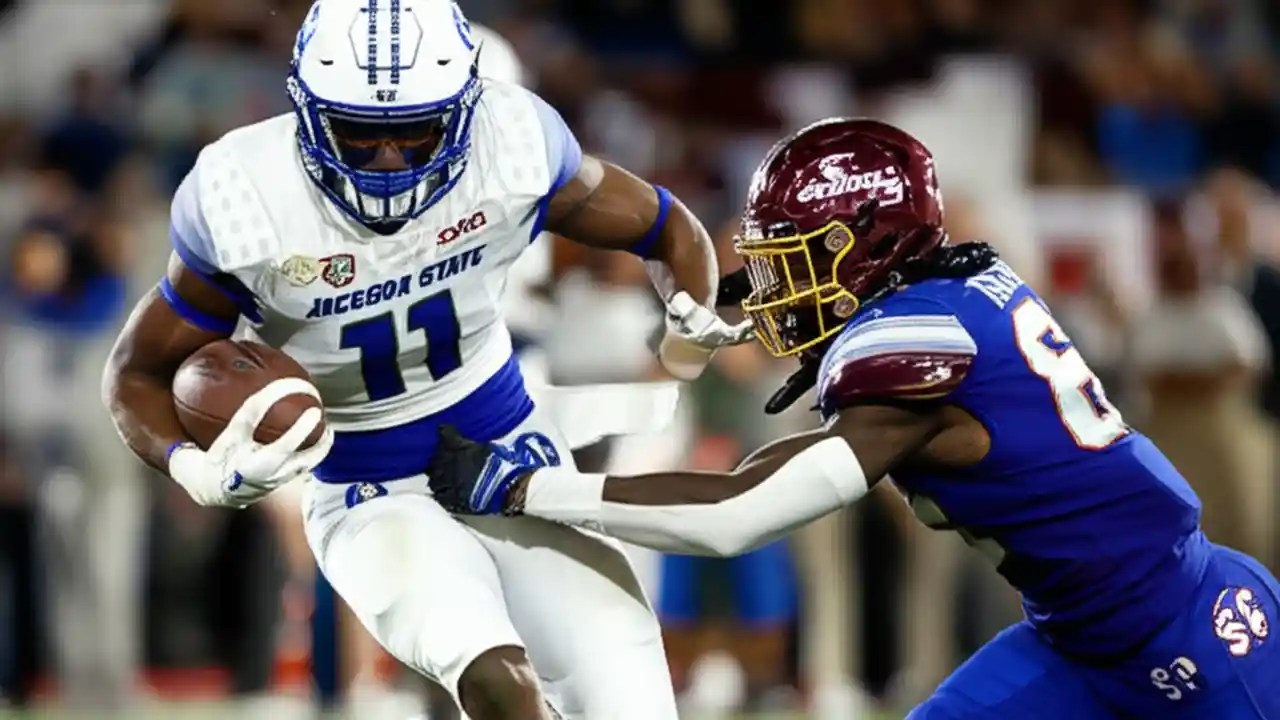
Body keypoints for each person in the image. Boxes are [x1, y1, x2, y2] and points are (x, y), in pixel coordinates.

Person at [427, 118, 1280, 718]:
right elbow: (757, 476)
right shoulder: (952, 293)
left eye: (791, 261)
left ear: (859, 248)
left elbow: (737, 512)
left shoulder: (914, 351)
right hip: (1075, 639)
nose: (773, 290)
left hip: (1194, 633)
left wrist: (532, 488)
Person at [100, 1, 751, 718]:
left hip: (510, 446)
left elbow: (663, 224)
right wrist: (194, 470)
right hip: (365, 483)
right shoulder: (248, 195)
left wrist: (689, 315)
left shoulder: (512, 143)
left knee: (626, 695)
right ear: (307, 113)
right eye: (359, 133)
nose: (389, 161)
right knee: (498, 679)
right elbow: (137, 371)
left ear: (467, 109)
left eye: (416, 132)